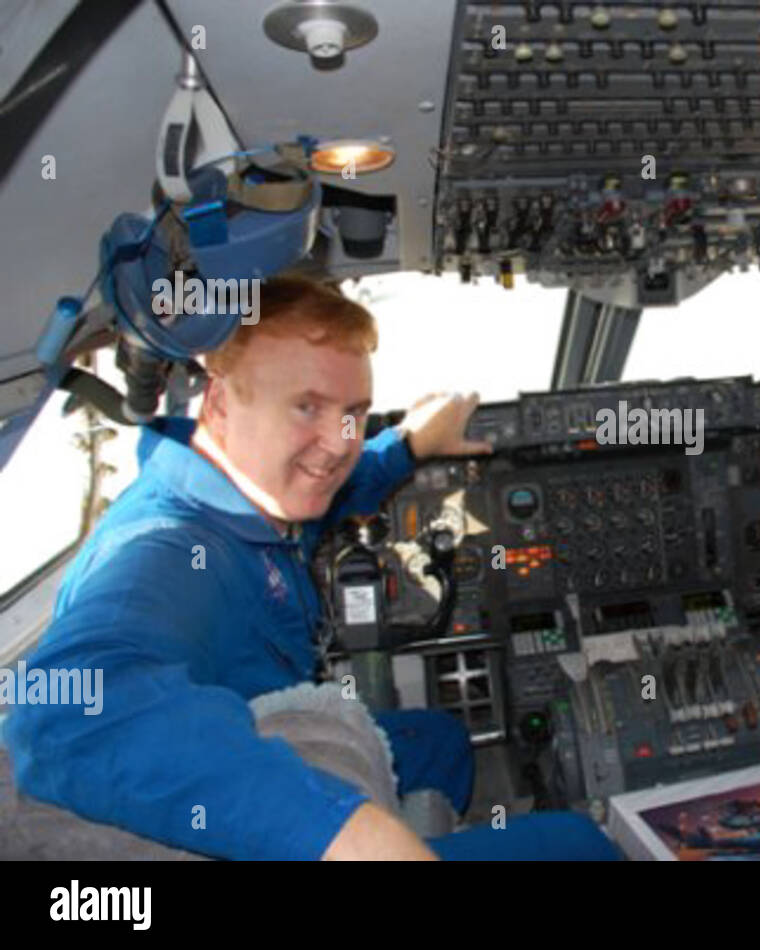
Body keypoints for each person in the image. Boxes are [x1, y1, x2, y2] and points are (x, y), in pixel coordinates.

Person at [4, 276, 616, 860]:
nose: (339, 440)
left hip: (281, 736)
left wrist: (406, 445)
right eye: (305, 407)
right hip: (244, 807)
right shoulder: (167, 549)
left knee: (442, 741)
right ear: (217, 402)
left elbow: (346, 482)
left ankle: (430, 830)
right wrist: (341, 833)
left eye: (354, 411)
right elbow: (67, 706)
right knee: (580, 843)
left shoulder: (256, 494)